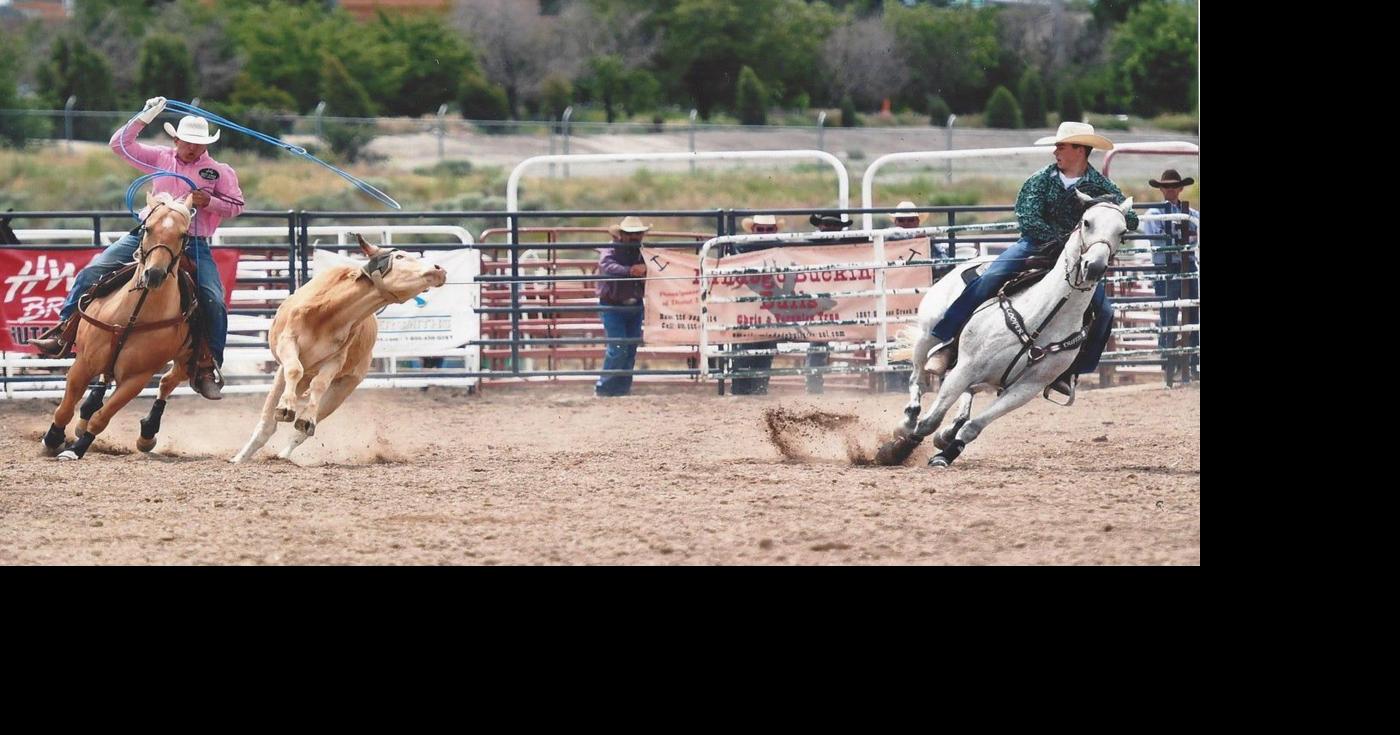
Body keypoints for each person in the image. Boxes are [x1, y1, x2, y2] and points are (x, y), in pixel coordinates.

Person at [28, 97, 244, 400]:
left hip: (191, 241)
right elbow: (120, 145)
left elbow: (236, 206)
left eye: (199, 144)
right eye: (188, 142)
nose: (193, 148)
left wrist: (210, 201)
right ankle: (64, 332)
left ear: (206, 145)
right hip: (150, 236)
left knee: (213, 299)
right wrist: (145, 116)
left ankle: (206, 366)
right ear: (176, 140)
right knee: (93, 271)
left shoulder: (218, 171)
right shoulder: (160, 157)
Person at [925, 121, 1139, 402]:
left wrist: (1111, 213)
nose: (1055, 151)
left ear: (1080, 150)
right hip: (1035, 246)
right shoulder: (1040, 180)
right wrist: (1061, 243)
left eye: (1061, 146)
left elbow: (1130, 218)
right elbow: (1028, 218)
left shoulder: (1102, 186)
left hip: (1077, 259)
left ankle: (1069, 371)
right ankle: (948, 342)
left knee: (1105, 312)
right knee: (990, 277)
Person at [1142, 169, 1199, 383]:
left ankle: (1193, 361)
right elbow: (1158, 240)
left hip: (1186, 266)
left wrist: (1180, 242)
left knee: (1193, 314)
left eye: (1174, 186)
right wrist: (1182, 242)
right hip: (1167, 267)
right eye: (1166, 186)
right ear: (1161, 189)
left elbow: (1191, 239)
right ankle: (1169, 362)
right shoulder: (1154, 214)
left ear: (1180, 188)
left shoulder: (1191, 214)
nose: (1170, 189)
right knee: (1168, 315)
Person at [728, 214, 784, 395]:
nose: (764, 233)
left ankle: (758, 389)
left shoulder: (779, 249)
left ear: (774, 231)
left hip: (769, 309)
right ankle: (742, 390)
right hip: (748, 309)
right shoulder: (743, 248)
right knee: (745, 351)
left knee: (764, 351)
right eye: (761, 229)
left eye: (768, 230)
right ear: (753, 230)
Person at [802, 213, 858, 394]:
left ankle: (814, 383)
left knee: (820, 339)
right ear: (820, 226)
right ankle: (814, 384)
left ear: (840, 228)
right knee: (819, 338)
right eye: (826, 224)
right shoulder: (810, 244)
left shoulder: (849, 244)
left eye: (834, 225)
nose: (829, 228)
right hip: (822, 297)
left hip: (846, 295)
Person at [594, 216, 649, 397]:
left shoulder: (643, 252)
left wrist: (643, 269)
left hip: (633, 304)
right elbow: (607, 266)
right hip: (613, 305)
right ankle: (605, 387)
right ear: (621, 235)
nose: (634, 237)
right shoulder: (611, 250)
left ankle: (622, 388)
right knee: (618, 347)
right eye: (631, 234)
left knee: (629, 348)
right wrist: (631, 270)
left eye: (638, 234)